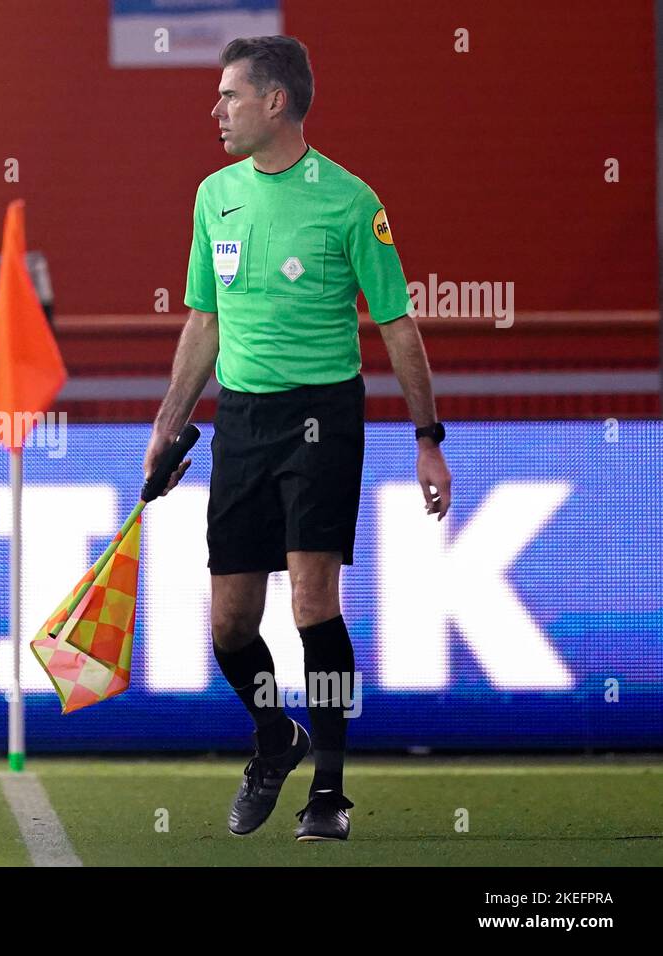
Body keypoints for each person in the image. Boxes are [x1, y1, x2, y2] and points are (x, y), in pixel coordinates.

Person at [144, 35, 452, 842]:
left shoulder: (352, 201)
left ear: (274, 102)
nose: (215, 111)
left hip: (323, 416)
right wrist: (169, 422)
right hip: (241, 424)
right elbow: (203, 322)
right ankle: (275, 736)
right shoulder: (215, 196)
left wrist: (428, 438)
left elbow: (399, 327)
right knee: (230, 626)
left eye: (229, 96)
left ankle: (330, 794)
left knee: (314, 600)